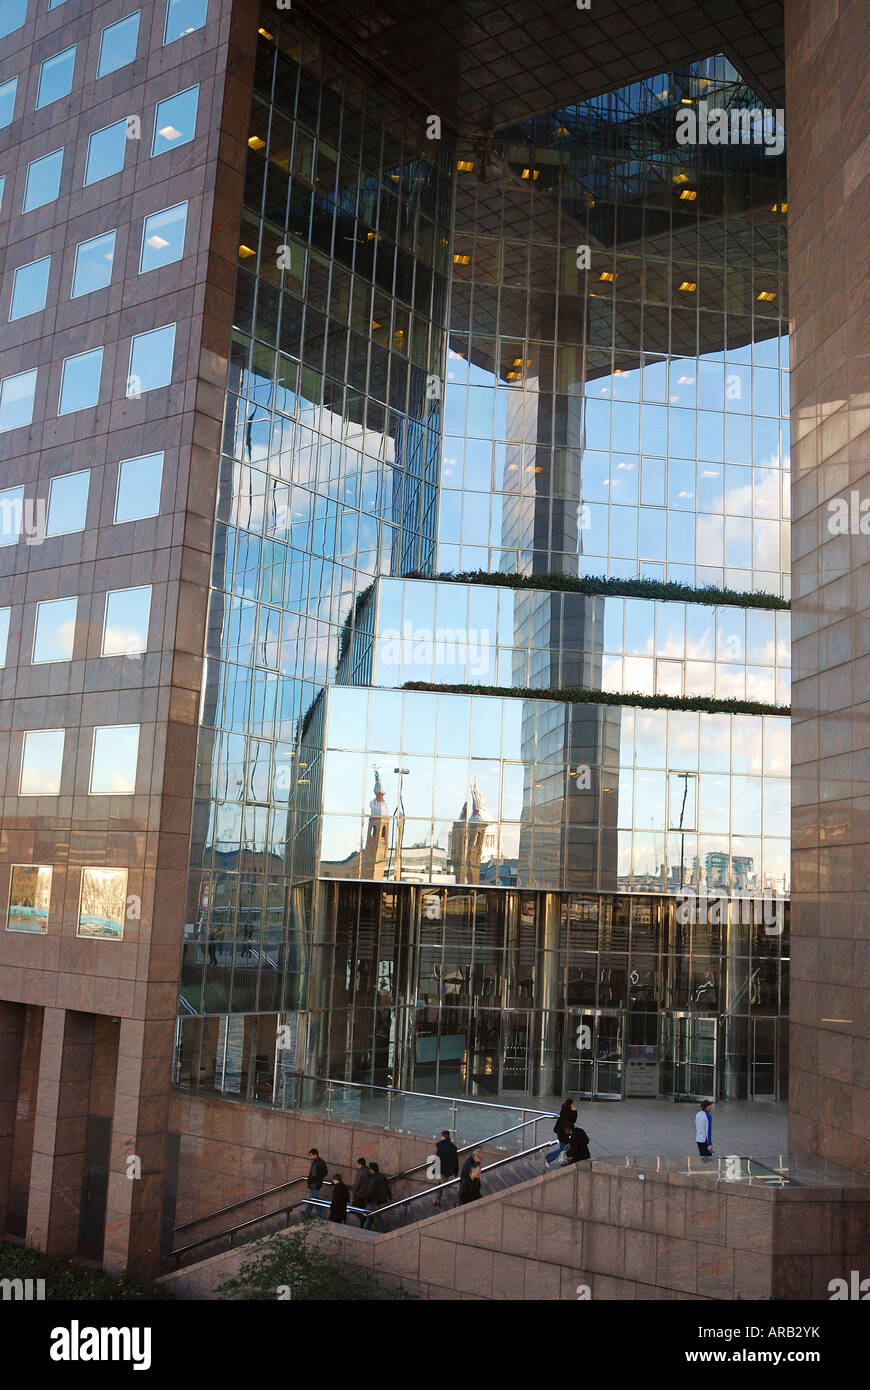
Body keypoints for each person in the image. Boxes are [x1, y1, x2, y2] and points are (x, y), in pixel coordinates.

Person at [547, 1097, 578, 1164]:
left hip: (562, 1134)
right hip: (564, 1135)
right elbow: (573, 1120)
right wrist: (575, 1111)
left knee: (565, 1149)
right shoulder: (568, 1113)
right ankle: (548, 1158)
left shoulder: (565, 1111)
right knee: (562, 1149)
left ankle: (565, 1161)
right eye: (572, 1104)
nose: (573, 1106)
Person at [433, 1129, 459, 1207]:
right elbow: (456, 1159)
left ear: (442, 1136)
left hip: (441, 1169)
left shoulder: (440, 1146)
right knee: (439, 1184)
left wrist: (434, 1170)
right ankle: (437, 1200)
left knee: (444, 1187)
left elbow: (438, 1159)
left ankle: (450, 1204)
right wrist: (456, 1170)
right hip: (449, 1169)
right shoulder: (453, 1147)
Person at [363, 1161, 392, 1231]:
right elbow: (387, 1188)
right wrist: (389, 1195)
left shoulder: (374, 1178)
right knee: (370, 1216)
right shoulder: (382, 1177)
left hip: (373, 1200)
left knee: (376, 1215)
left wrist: (366, 1199)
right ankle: (366, 1229)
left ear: (371, 1169)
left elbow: (370, 1191)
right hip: (380, 1200)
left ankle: (384, 1229)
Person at [304, 1147, 328, 1216]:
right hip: (318, 1183)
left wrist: (309, 1181)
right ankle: (307, 1213)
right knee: (312, 1198)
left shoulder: (316, 1163)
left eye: (311, 1155)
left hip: (314, 1183)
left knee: (314, 1200)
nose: (310, 1157)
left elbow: (313, 1174)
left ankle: (322, 1215)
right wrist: (320, 1177)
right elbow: (325, 1173)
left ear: (315, 1155)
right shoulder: (322, 1162)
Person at [351, 1156, 370, 1226]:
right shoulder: (369, 1172)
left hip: (359, 1195)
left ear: (359, 1164)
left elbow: (356, 1184)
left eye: (357, 1164)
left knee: (354, 1209)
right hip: (366, 1195)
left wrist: (354, 1193)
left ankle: (364, 1219)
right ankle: (362, 1224)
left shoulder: (360, 1172)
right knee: (362, 1210)